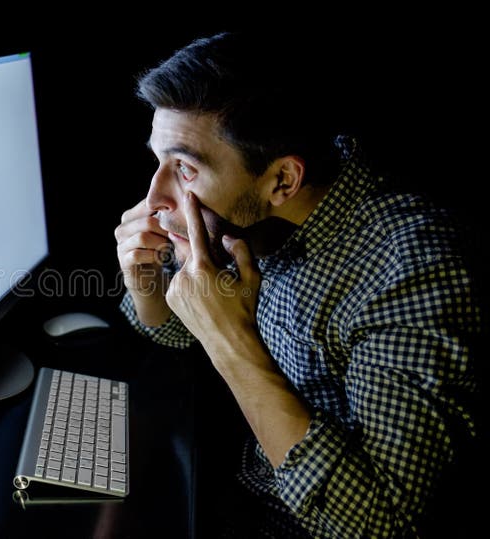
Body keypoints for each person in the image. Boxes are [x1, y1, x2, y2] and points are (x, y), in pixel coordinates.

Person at [115, 32, 482, 538]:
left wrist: (230, 343)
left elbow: (382, 523)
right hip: (242, 488)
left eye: (185, 169)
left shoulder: (412, 275)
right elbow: (172, 330)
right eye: (158, 161)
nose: (156, 197)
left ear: (283, 181)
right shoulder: (245, 216)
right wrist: (144, 280)